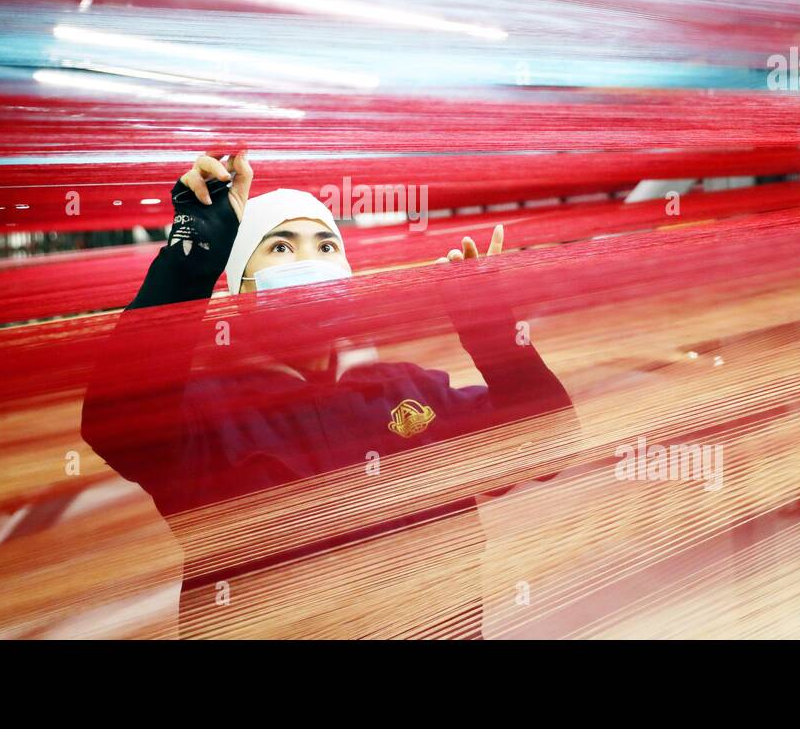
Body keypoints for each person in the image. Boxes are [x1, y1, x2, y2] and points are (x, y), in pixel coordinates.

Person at [81, 148, 574, 636]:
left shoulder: (409, 390)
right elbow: (113, 424)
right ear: (242, 287)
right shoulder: (207, 415)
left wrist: (489, 326)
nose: (309, 262)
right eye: (280, 247)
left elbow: (548, 442)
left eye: (325, 246)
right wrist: (188, 263)